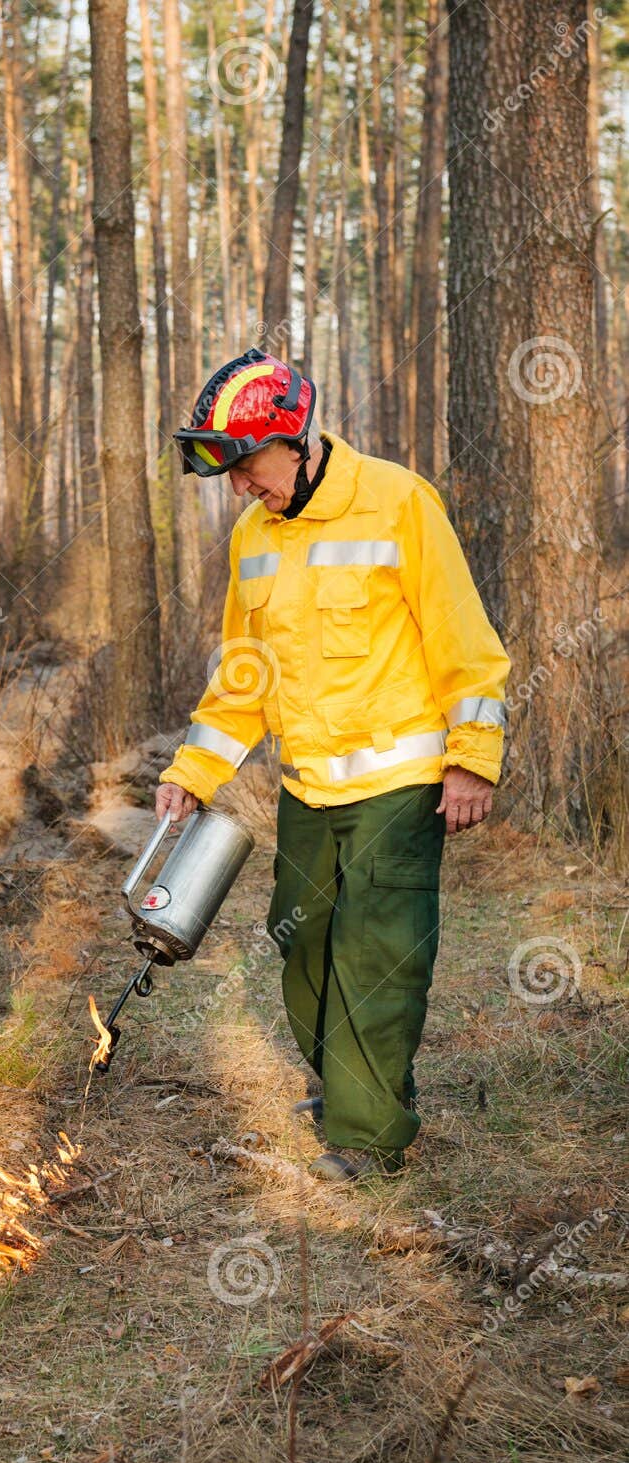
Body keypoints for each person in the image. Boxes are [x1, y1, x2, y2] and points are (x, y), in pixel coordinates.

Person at [156, 348, 510, 1181]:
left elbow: (465, 644)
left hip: (400, 784)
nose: (239, 487)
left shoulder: (398, 503)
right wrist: (191, 773)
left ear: (294, 439)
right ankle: (361, 1083)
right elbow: (242, 674)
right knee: (306, 944)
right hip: (308, 789)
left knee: (374, 950)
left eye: (244, 466)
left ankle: (369, 1136)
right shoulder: (254, 537)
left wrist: (473, 760)